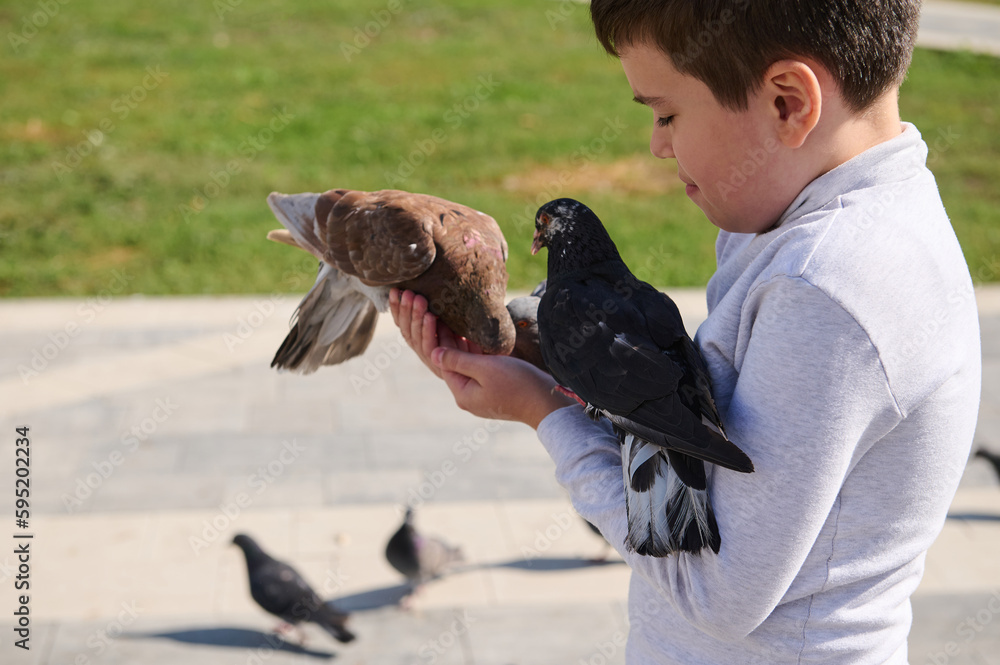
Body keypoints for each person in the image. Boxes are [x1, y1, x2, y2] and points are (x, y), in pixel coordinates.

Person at [390, 0, 982, 661]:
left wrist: (542, 412)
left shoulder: (827, 290)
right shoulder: (807, 228)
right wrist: (548, 353)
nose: (656, 143)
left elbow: (717, 591)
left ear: (787, 103)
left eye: (666, 113)